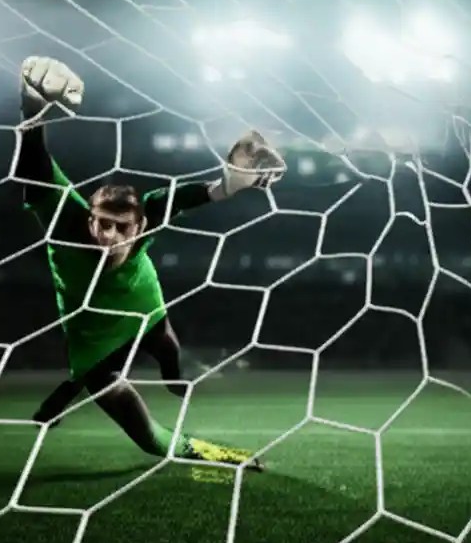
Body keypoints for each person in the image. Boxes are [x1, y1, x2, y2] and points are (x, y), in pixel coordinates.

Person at [15, 55, 284, 471]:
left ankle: (172, 378)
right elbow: (36, 172)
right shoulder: (67, 222)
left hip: (144, 305)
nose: (109, 236)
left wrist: (229, 185)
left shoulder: (152, 212)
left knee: (167, 351)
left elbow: (192, 196)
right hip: (91, 333)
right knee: (148, 437)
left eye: (121, 227)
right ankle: (225, 457)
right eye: (102, 224)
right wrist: (32, 108)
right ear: (90, 219)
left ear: (139, 225)